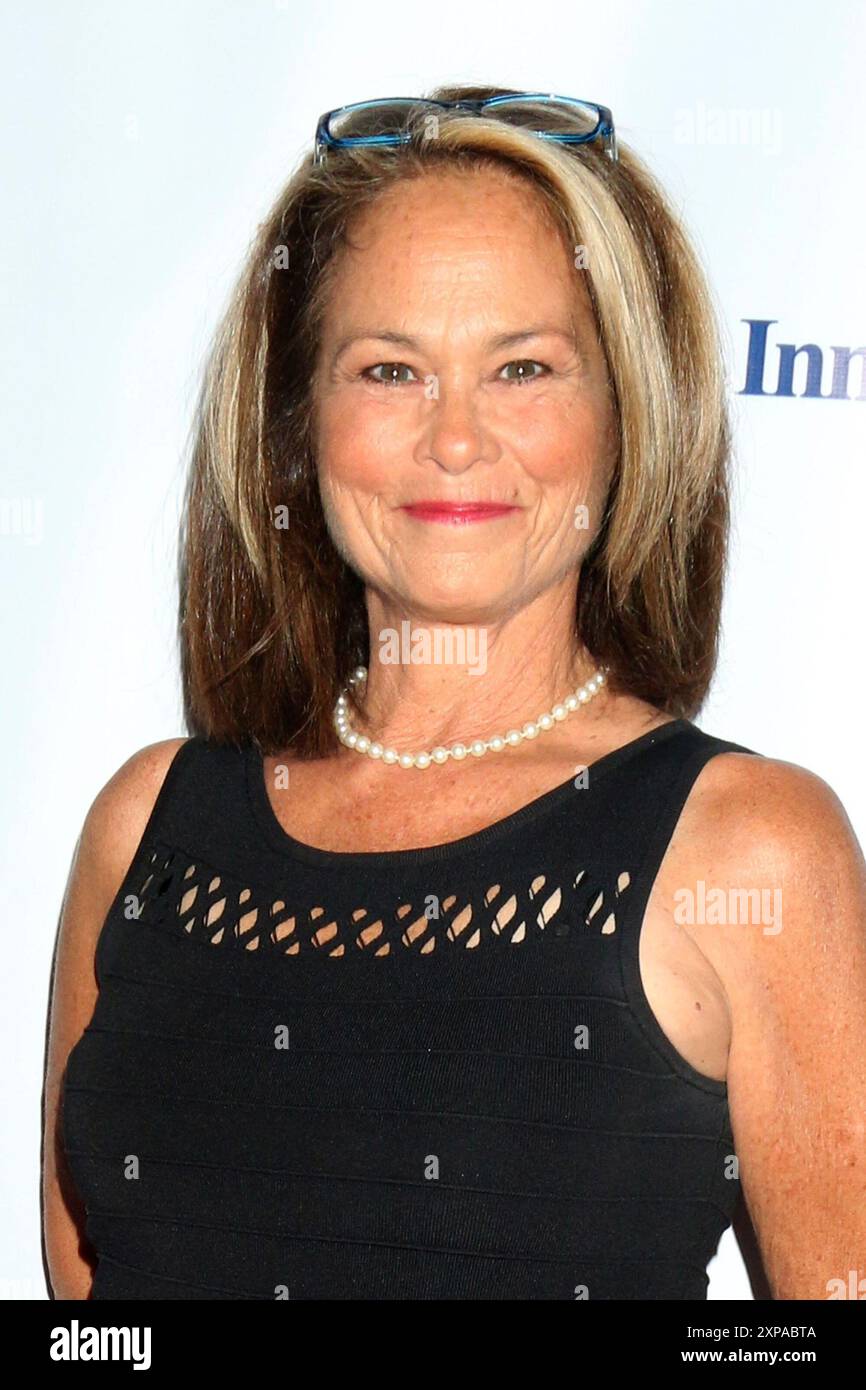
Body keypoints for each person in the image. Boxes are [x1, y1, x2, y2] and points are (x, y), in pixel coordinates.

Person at [43, 86, 866, 1301]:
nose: (457, 439)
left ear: (626, 416)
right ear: (297, 421)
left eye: (522, 366)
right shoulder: (147, 827)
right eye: (389, 370)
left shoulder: (748, 847)